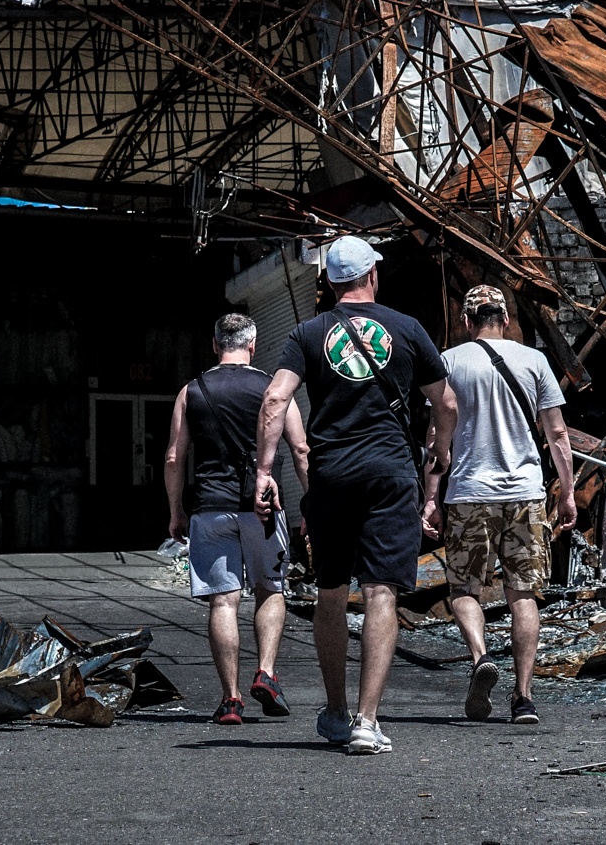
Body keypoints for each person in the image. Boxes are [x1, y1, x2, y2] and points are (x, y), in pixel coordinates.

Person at [256, 235, 452, 756]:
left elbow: (276, 397)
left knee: (331, 593)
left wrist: (263, 471)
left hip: (331, 476)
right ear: (372, 276)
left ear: (329, 283)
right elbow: (445, 401)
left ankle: (338, 711)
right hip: (390, 474)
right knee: (382, 591)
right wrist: (441, 450)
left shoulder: (307, 332)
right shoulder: (407, 328)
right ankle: (368, 721)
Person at [423, 285, 576, 725]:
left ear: (468, 322)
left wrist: (430, 498)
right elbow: (558, 435)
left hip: (469, 492)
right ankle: (523, 698)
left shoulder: (450, 362)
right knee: (522, 595)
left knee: (463, 590)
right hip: (525, 493)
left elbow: (436, 440)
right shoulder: (535, 361)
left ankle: (480, 657)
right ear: (506, 319)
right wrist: (566, 494)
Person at [165, 312, 312, 725]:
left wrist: (176, 509)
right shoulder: (273, 389)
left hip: (210, 508)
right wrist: (312, 508)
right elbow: (301, 450)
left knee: (223, 600)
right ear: (252, 344)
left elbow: (175, 456)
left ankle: (230, 700)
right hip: (262, 508)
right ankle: (265, 671)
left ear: (215, 345)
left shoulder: (191, 391)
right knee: (270, 589)